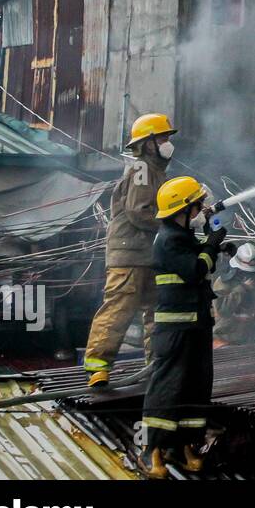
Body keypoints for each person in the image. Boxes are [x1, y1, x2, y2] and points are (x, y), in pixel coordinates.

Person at [141, 176, 235, 478]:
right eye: (196, 205)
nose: (200, 209)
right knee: (167, 389)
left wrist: (214, 243)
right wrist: (211, 243)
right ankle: (152, 452)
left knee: (195, 387)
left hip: (197, 325)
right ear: (183, 208)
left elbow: (202, 258)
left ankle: (185, 448)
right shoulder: (168, 239)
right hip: (176, 330)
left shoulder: (182, 237)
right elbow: (195, 270)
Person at [83, 113, 175, 386]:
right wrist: (174, 223)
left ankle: (156, 367)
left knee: (157, 312)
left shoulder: (156, 171)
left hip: (148, 254)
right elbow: (140, 212)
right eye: (163, 137)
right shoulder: (142, 169)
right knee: (119, 308)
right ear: (148, 143)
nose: (168, 142)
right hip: (129, 254)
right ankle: (98, 368)